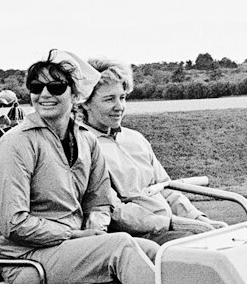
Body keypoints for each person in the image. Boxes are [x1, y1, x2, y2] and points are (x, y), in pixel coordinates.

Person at [0, 51, 159, 284]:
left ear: (76, 95)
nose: (44, 94)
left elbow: (99, 201)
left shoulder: (87, 141)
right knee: (121, 247)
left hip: (67, 250)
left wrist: (96, 228)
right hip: (25, 261)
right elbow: (13, 223)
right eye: (36, 87)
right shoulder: (16, 143)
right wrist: (76, 235)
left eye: (56, 87)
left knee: (154, 251)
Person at [77, 59, 225, 243]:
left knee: (226, 237)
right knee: (201, 247)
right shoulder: (82, 146)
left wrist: (198, 219)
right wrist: (173, 224)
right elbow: (114, 211)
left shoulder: (135, 138)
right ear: (84, 103)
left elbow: (168, 188)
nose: (119, 106)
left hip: (169, 227)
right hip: (137, 237)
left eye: (122, 98)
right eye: (109, 99)